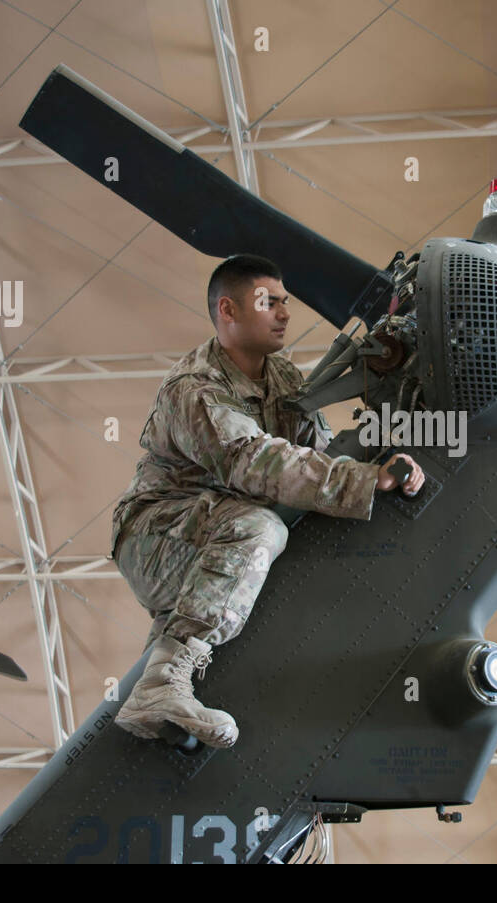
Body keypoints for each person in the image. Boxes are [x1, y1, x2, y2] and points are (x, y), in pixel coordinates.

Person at [109, 254, 424, 748]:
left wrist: (386, 457)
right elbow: (253, 462)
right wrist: (360, 482)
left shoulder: (282, 378)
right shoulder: (194, 388)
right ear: (228, 311)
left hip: (210, 529)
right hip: (155, 537)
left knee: (287, 531)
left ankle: (162, 697)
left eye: (284, 303)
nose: (283, 313)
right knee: (262, 530)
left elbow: (312, 453)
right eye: (268, 303)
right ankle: (162, 685)